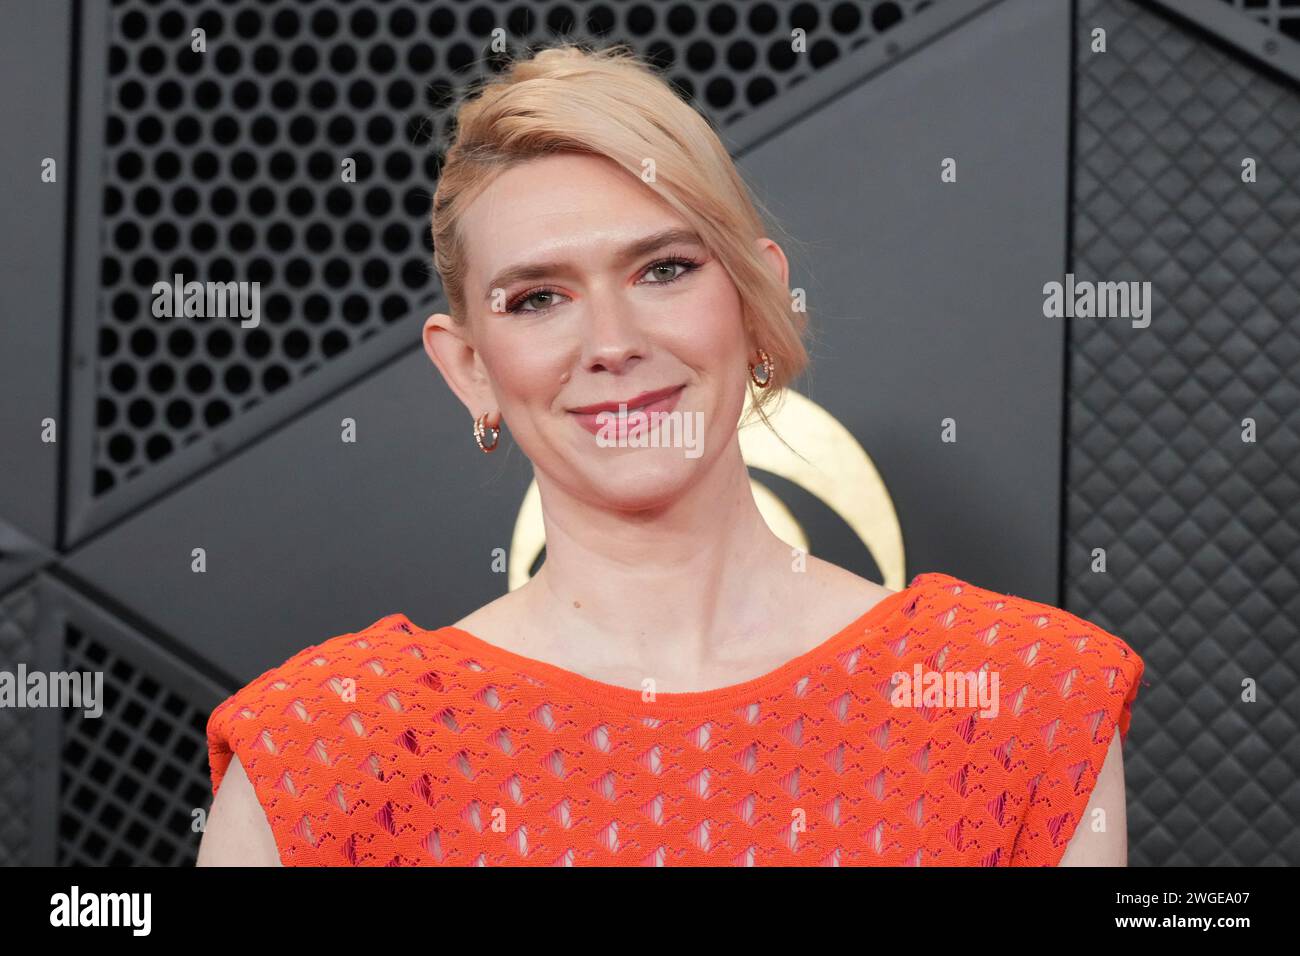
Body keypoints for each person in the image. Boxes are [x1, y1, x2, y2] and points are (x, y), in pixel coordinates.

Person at [198, 42, 1142, 867]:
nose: (611, 340)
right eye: (537, 298)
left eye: (663, 269)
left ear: (756, 299)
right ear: (471, 368)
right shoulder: (329, 752)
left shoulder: (1016, 703)